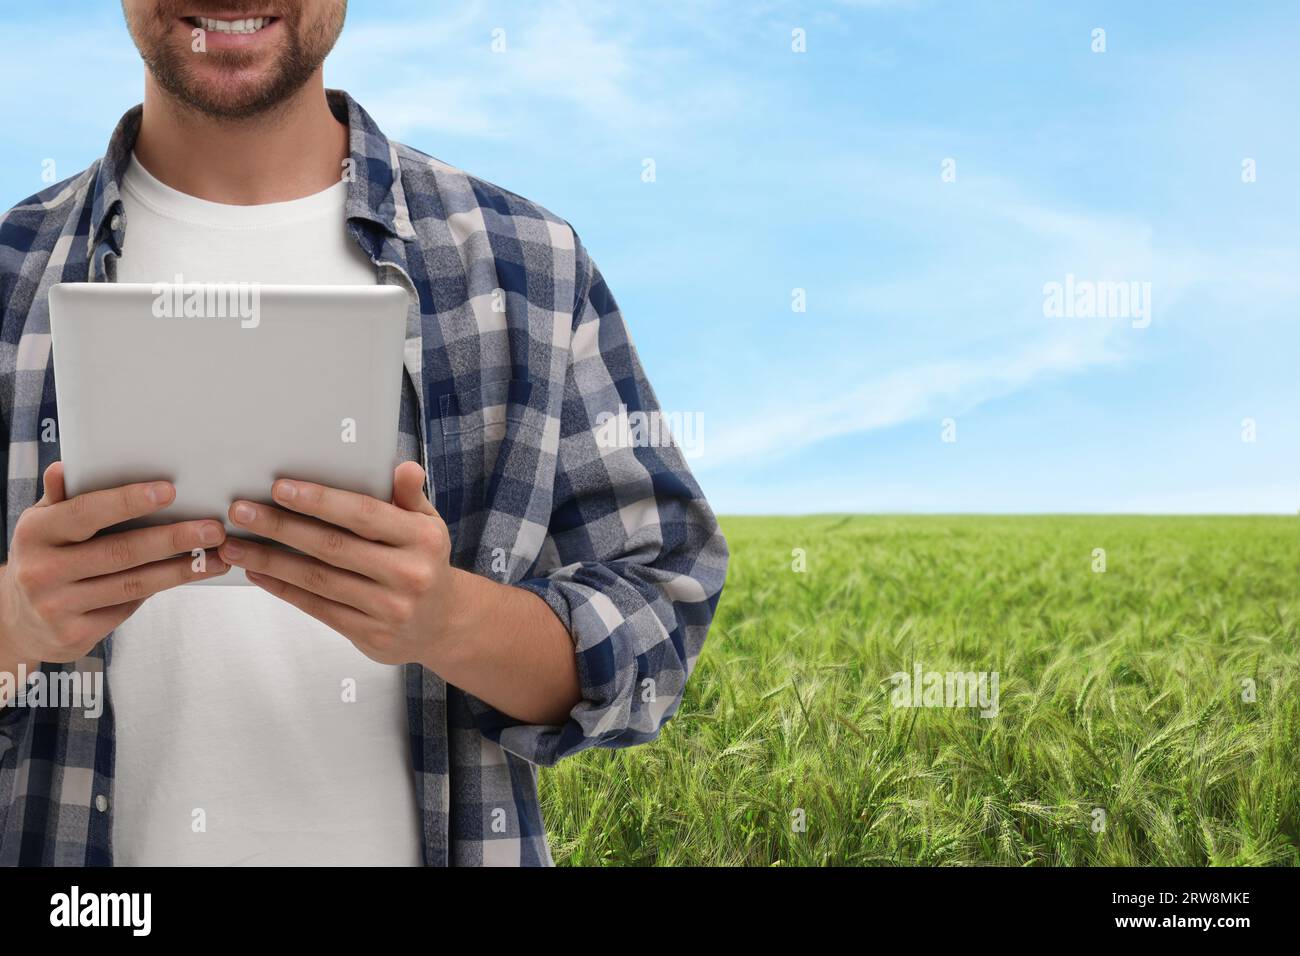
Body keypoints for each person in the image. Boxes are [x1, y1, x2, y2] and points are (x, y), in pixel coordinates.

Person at [0, 1, 727, 866]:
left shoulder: (528, 263)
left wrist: (449, 619)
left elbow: (662, 622)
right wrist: (15, 624)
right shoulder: (11, 277)